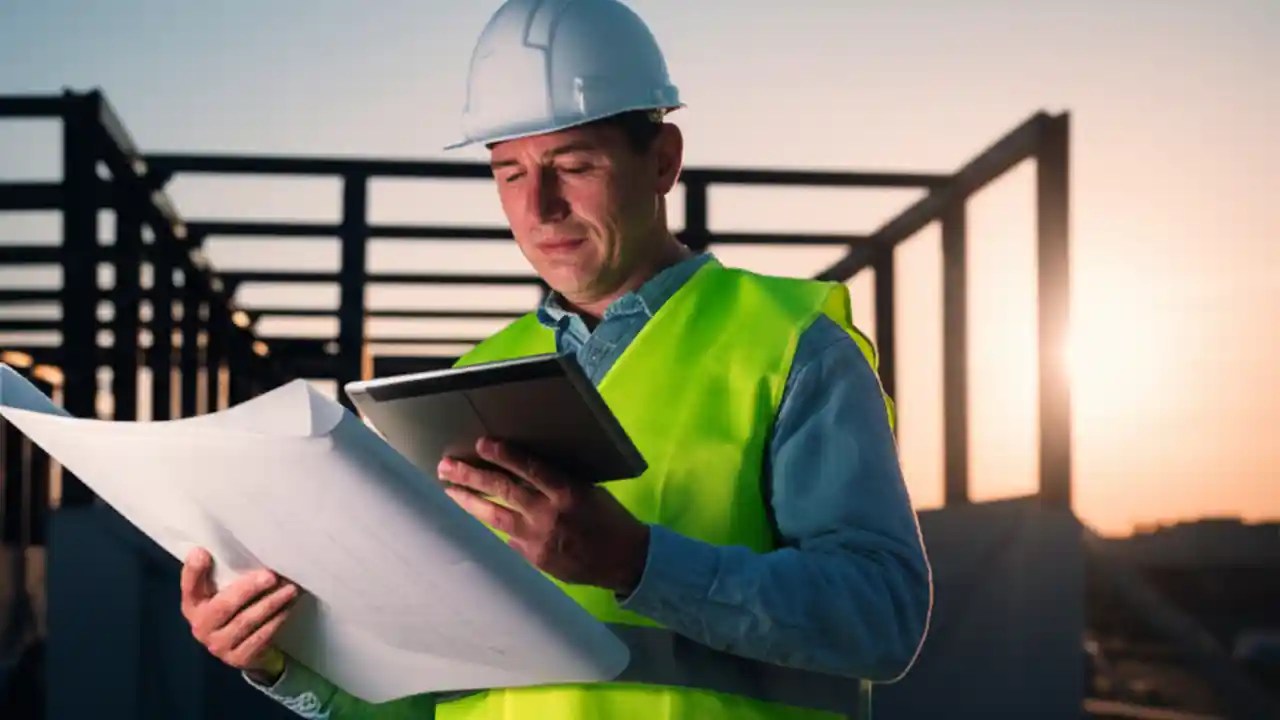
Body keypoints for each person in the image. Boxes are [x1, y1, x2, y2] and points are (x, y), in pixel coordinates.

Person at [178, 1, 932, 718]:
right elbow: (427, 702)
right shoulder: (470, 380)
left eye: (573, 165)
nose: (538, 208)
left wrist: (636, 563)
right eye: (510, 173)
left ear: (663, 160)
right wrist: (281, 659)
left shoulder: (789, 345)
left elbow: (882, 617)